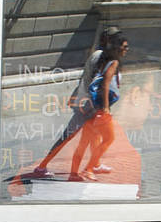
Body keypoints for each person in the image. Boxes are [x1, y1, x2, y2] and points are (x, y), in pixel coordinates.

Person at [29, 29, 121, 178]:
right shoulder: (100, 57)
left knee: (94, 136)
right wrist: (98, 106)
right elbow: (95, 83)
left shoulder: (100, 56)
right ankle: (42, 167)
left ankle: (95, 165)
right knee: (68, 136)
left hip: (86, 103)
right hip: (87, 106)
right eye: (115, 40)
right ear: (107, 41)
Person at [68, 35, 127, 182]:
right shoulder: (113, 62)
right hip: (100, 109)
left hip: (91, 107)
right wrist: (106, 108)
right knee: (108, 138)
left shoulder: (104, 60)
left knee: (85, 141)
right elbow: (105, 84)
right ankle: (88, 169)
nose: (127, 49)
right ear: (117, 48)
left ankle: (74, 173)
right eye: (124, 47)